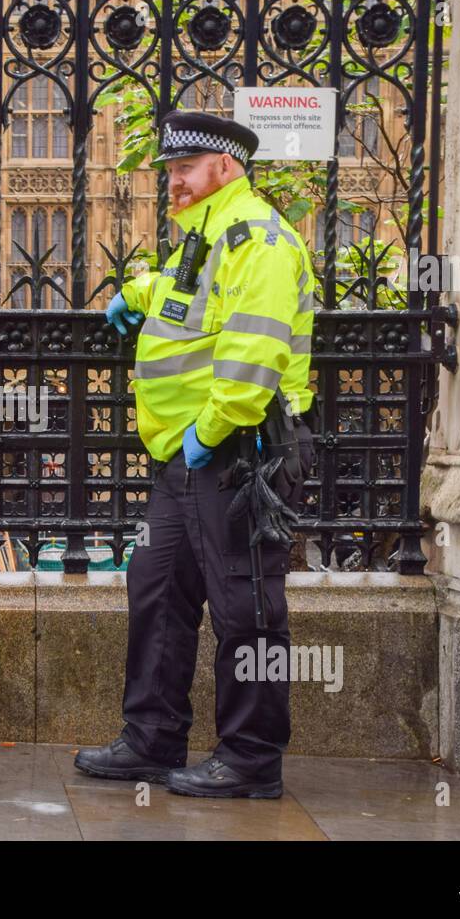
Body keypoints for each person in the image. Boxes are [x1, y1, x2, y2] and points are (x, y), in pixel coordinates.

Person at [79, 109, 317, 798]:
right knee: (156, 592)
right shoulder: (207, 236)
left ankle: (250, 759)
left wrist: (208, 434)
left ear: (226, 167)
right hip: (187, 460)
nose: (173, 182)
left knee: (247, 611)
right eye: (171, 171)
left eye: (184, 169)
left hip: (241, 452)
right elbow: (186, 300)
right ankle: (152, 740)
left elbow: (253, 356)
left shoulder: (261, 241)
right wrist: (135, 291)